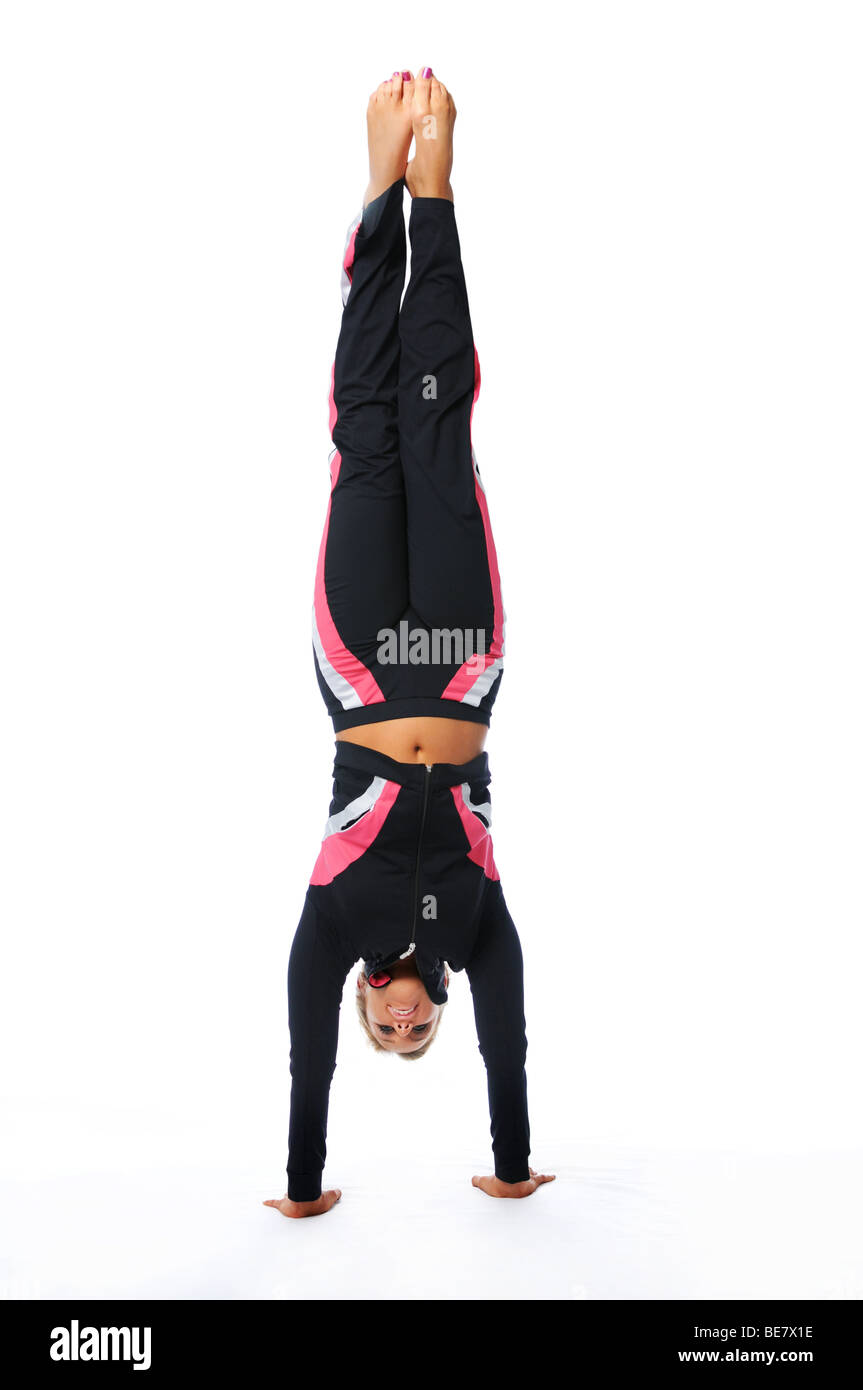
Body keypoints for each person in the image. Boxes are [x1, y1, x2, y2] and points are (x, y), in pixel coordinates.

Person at [264, 68, 555, 1218]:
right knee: (436, 438)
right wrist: (514, 1164)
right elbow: (512, 1043)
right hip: (458, 660)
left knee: (363, 441)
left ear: (363, 1011)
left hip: (360, 675)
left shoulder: (333, 923)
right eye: (420, 1026)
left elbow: (305, 1067)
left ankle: (376, 201)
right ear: (433, 1002)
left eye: (390, 1031)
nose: (406, 1020)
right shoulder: (476, 930)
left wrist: (302, 1186)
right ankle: (433, 198)